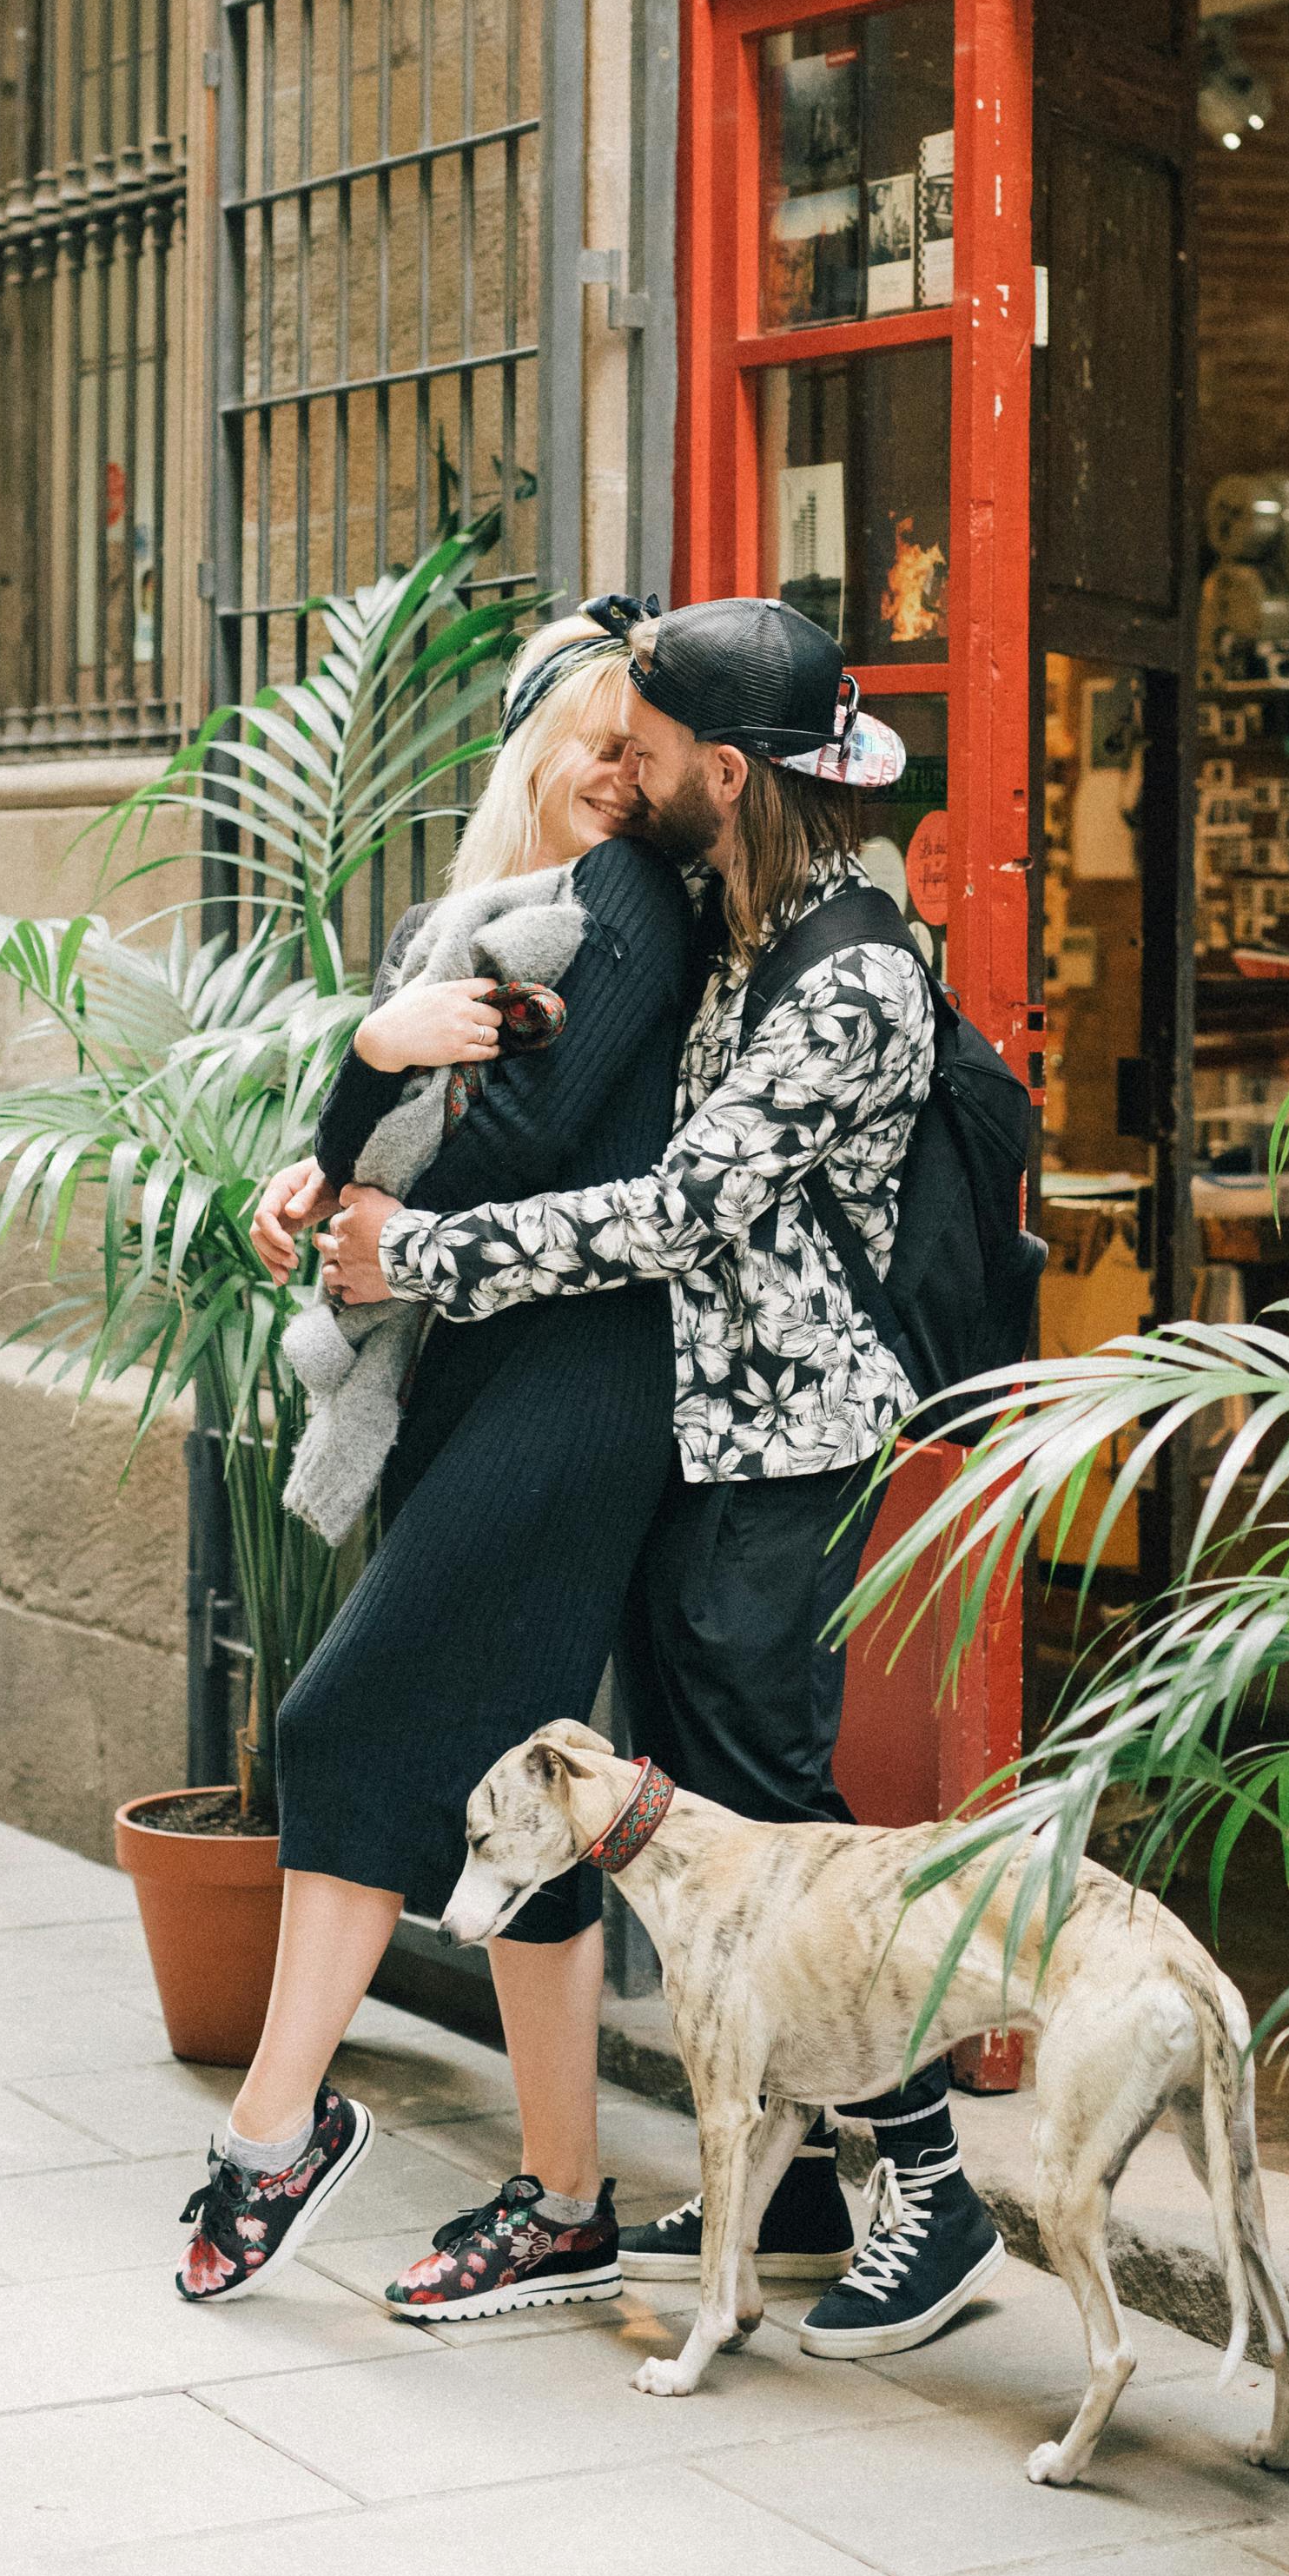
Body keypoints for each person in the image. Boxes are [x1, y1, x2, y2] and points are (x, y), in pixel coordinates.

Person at [321, 597, 1006, 2360]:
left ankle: (927, 2187)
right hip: (705, 1438)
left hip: (792, 1451)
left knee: (779, 1814)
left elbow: (675, 1212)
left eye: (636, 752)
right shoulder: (744, 914)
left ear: (721, 770)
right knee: (709, 1802)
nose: (607, 778)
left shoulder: (851, 973)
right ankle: (788, 2182)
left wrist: (423, 1259)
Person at [172, 605, 700, 2321]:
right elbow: (406, 1134)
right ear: (534, 739)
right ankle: (560, 2198)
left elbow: (528, 1146)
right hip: (481, 1371)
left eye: (648, 749)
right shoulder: (481, 922)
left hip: (580, 1379)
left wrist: (377, 1108)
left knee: (336, 1721)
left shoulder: (622, 908)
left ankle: (273, 2132)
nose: (619, 777)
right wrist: (321, 1172)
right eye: (595, 742)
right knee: (515, 1786)